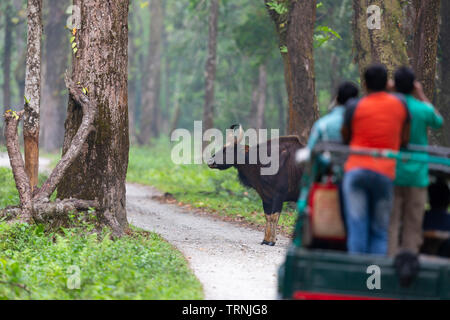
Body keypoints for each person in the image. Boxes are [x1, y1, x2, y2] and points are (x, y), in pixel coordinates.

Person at [341, 64, 410, 255]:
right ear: (387, 82)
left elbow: (345, 136)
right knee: (380, 230)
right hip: (385, 172)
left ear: (364, 84)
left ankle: (357, 279)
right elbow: (405, 137)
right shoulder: (401, 104)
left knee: (357, 226)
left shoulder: (354, 106)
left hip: (356, 171)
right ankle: (373, 283)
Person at [387, 67, 444, 256]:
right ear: (413, 86)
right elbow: (438, 121)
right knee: (413, 225)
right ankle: (408, 265)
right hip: (417, 175)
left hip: (392, 172)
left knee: (392, 223)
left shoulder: (390, 107)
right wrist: (421, 95)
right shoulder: (421, 109)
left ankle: (387, 265)